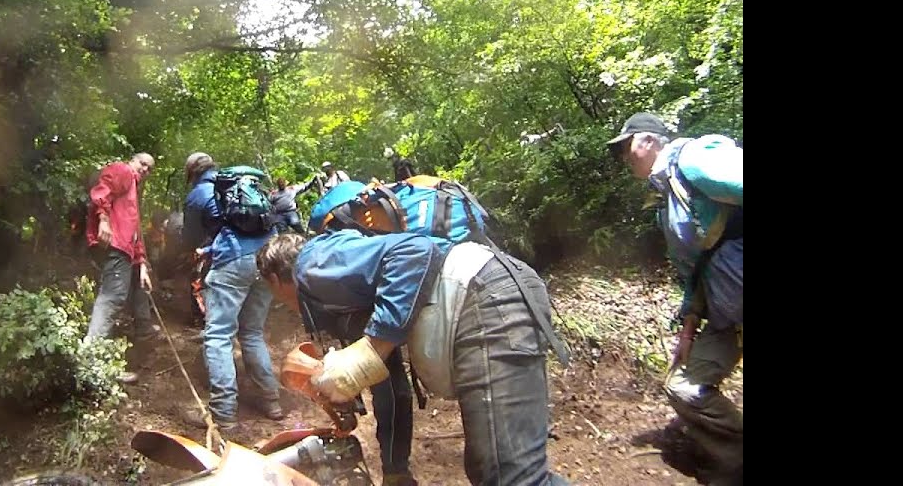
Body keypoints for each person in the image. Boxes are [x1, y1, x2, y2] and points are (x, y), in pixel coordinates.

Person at [256, 183, 570, 486]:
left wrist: (371, 350)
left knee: (511, 477)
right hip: (486, 296)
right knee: (490, 468)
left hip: (485, 299)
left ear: (274, 279)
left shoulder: (312, 264)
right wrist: (395, 470)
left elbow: (416, 251)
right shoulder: (349, 288)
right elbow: (391, 389)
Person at [607, 112, 743, 485]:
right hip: (726, 310)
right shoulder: (667, 201)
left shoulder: (694, 159)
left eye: (627, 146)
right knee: (683, 387)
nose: (623, 156)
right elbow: (696, 271)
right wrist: (687, 329)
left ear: (650, 140)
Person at [181, 152, 284, 430]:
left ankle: (223, 412)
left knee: (218, 335)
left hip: (233, 264)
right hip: (268, 259)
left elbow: (188, 238)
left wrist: (195, 249)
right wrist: (212, 248)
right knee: (252, 332)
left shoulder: (200, 193)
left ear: (191, 173)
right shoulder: (239, 184)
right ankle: (271, 400)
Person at [83, 152, 159, 385]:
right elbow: (102, 191)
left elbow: (135, 233)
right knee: (112, 298)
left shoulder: (133, 193)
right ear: (133, 160)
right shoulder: (123, 170)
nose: (145, 169)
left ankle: (135, 341)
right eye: (143, 163)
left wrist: (142, 264)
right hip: (114, 245)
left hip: (124, 250)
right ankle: (91, 361)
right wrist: (104, 220)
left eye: (150, 168)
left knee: (127, 294)